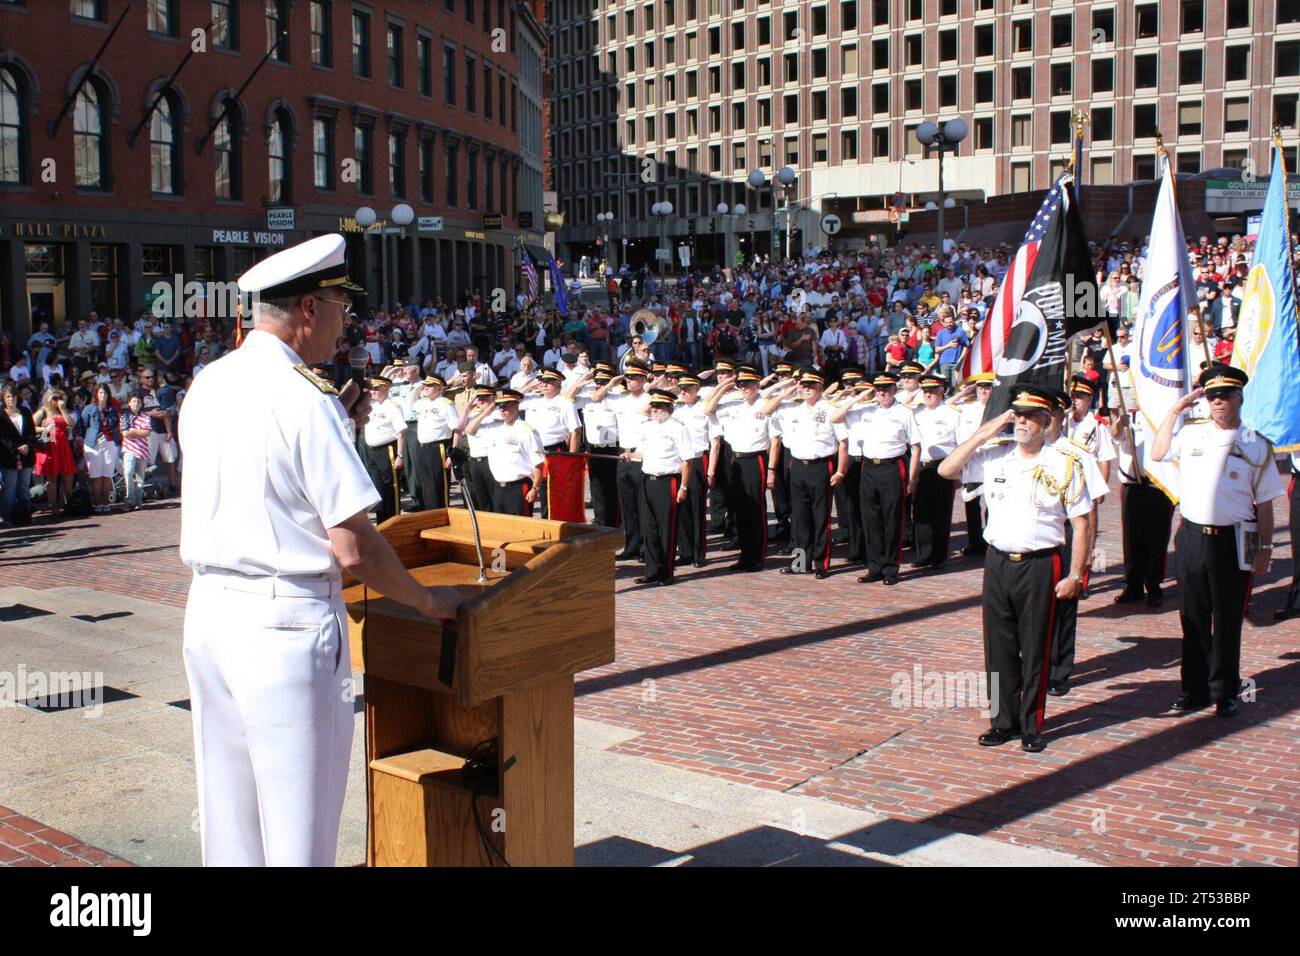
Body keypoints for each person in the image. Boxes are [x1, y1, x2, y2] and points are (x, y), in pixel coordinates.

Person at [178, 233, 461, 866]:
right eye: (340, 307)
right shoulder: (307, 401)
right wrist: (425, 600)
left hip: (212, 611)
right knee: (299, 829)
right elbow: (353, 549)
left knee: (229, 821)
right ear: (309, 309)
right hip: (286, 625)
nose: (345, 322)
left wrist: (341, 424)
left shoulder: (210, 383)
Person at [939, 387, 1091, 753]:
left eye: (1029, 416)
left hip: (1041, 564)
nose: (1021, 421)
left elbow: (1082, 523)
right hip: (998, 562)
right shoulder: (996, 458)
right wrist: (984, 432)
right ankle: (1001, 722)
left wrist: (1074, 575)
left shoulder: (1064, 463)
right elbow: (947, 469)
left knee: (1035, 647)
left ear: (1045, 421)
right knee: (998, 647)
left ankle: (1031, 724)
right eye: (1017, 415)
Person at [1152, 365, 1285, 717]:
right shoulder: (1192, 435)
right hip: (1193, 538)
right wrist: (1175, 411)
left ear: (1240, 398)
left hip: (1234, 540)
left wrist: (1265, 551)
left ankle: (1225, 690)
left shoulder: (1255, 444)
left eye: (1224, 395)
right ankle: (1194, 689)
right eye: (1212, 396)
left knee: (1227, 619)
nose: (1217, 401)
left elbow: (1266, 505)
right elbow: (1157, 452)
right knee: (1192, 616)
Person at [835, 372, 920, 586]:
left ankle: (891, 569)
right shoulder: (866, 410)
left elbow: (916, 446)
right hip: (869, 468)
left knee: (892, 520)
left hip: (892, 467)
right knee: (870, 519)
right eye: (878, 389)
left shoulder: (903, 412)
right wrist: (859, 395)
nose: (882, 393)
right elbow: (835, 417)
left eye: (886, 389)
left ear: (894, 390)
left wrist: (912, 478)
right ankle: (874, 567)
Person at [766, 368, 847, 578]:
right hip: (798, 466)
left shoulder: (830, 409)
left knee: (821, 517)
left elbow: (843, 442)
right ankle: (802, 562)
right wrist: (789, 389)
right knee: (800, 518)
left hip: (821, 465)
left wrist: (840, 470)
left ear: (821, 386)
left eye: (811, 385)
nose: (807, 389)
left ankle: (821, 563)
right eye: (804, 385)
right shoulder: (794, 409)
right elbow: (766, 409)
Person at [701, 366, 773, 572]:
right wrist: (724, 386)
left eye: (748, 384)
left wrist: (771, 469)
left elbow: (774, 440)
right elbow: (708, 408)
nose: (744, 388)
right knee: (739, 510)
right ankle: (745, 555)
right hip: (735, 460)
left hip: (755, 459)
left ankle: (757, 556)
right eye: (741, 385)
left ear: (758, 384)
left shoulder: (764, 404)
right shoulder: (733, 404)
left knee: (755, 509)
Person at [623, 389, 692, 585]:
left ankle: (666, 572)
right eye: (652, 406)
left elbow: (687, 461)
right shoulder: (647, 427)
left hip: (667, 481)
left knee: (667, 529)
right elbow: (642, 452)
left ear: (669, 408)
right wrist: (631, 456)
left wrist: (684, 487)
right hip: (647, 480)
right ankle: (652, 570)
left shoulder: (678, 428)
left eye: (658, 406)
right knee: (648, 528)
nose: (653, 409)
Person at [463, 388, 545, 515]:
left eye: (506, 406)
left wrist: (535, 488)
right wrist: (487, 411)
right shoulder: (497, 429)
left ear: (516, 405)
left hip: (518, 488)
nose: (502, 410)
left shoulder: (527, 431)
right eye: (499, 406)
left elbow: (538, 464)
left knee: (521, 529)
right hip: (498, 488)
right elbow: (469, 430)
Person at [911, 373, 961, 570]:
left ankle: (938, 557)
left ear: (941, 392)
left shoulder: (953, 413)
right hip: (922, 467)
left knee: (941, 512)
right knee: (920, 512)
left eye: (932, 391)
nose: (928, 395)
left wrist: (958, 475)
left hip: (943, 467)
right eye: (925, 391)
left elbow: (960, 444)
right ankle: (923, 555)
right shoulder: (916, 413)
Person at [671, 373, 715, 568]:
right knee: (681, 507)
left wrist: (711, 470)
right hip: (680, 461)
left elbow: (715, 442)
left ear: (697, 389)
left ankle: (699, 553)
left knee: (697, 508)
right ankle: (685, 550)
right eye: (681, 389)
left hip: (698, 459)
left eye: (688, 389)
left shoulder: (705, 408)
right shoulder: (676, 410)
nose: (683, 392)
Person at [524, 368, 582, 517]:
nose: (544, 385)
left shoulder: (566, 403)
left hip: (555, 452)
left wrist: (572, 458)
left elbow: (575, 431)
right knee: (538, 488)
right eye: (543, 382)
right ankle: (543, 522)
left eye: (549, 382)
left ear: (559, 384)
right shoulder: (535, 402)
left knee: (552, 493)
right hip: (536, 451)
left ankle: (552, 523)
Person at [361, 375, 406, 523]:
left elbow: (401, 432)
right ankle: (382, 523)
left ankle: (393, 522)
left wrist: (400, 455)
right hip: (371, 451)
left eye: (376, 389)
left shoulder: (393, 406)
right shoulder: (371, 406)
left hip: (387, 451)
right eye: (372, 389)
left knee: (390, 488)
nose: (372, 392)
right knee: (378, 489)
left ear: (386, 389)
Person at [411, 374, 456, 510]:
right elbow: (412, 404)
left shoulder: (446, 404)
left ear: (439, 388)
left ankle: (441, 515)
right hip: (423, 448)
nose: (426, 388)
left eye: (429, 386)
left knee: (438, 486)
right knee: (426, 486)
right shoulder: (423, 403)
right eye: (425, 385)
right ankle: (430, 514)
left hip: (438, 448)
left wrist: (453, 453)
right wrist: (418, 389)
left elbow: (456, 428)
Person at [34, 389, 76, 515]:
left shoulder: (61, 410)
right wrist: (44, 428)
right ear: (48, 398)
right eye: (54, 398)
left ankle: (69, 504)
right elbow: (31, 426)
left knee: (68, 476)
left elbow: (71, 423)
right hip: (50, 446)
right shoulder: (43, 411)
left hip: (63, 446)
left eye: (59, 397)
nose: (57, 400)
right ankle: (53, 506)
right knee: (51, 478)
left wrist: (63, 409)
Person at [80, 383, 120, 513]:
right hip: (93, 444)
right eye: (101, 393)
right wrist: (90, 437)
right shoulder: (90, 408)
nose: (103, 395)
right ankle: (97, 504)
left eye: (105, 393)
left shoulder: (112, 409)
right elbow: (82, 426)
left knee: (107, 475)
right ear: (96, 394)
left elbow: (115, 424)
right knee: (96, 476)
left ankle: (105, 503)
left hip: (109, 442)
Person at [0, 383, 36, 524]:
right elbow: (3, 437)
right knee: (10, 486)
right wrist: (16, 447)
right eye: (8, 396)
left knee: (24, 486)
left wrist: (27, 445)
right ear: (3, 398)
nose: (11, 399)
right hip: (9, 456)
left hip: (26, 455)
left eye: (13, 396)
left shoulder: (25, 412)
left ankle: (25, 515)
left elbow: (31, 432)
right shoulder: (1, 414)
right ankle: (7, 517)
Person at [118, 393, 152, 510]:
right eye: (134, 401)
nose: (136, 404)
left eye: (138, 402)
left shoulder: (145, 416)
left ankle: (138, 501)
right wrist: (138, 431)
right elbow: (125, 433)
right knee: (128, 473)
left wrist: (133, 430)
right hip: (129, 449)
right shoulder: (124, 416)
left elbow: (147, 432)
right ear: (129, 403)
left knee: (140, 478)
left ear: (141, 404)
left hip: (142, 450)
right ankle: (129, 499)